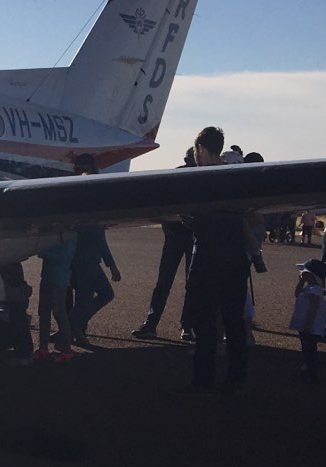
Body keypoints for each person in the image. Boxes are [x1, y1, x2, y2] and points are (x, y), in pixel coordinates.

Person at [182, 126, 250, 394]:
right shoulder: (236, 178)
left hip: (207, 258)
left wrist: (192, 221)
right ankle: (236, 379)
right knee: (234, 322)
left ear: (200, 149)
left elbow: (198, 217)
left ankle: (203, 379)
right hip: (235, 258)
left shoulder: (200, 179)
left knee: (204, 321)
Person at [132, 147, 195, 341]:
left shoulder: (182, 175)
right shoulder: (182, 175)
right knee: (173, 282)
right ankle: (178, 325)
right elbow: (163, 204)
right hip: (179, 234)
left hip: (185, 235)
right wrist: (166, 225)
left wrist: (166, 225)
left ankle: (164, 324)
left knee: (173, 282)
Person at [67, 155, 120, 349]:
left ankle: (72, 327)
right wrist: (112, 265)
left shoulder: (75, 194)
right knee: (91, 297)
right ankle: (71, 327)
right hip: (87, 259)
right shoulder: (91, 199)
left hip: (78, 256)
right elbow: (99, 238)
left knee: (97, 295)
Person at [34, 234, 77, 362]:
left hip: (59, 281)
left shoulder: (70, 237)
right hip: (47, 277)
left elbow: (63, 258)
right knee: (44, 313)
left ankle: (66, 350)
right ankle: (43, 348)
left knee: (59, 313)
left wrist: (44, 253)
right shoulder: (56, 235)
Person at [290, 259, 326, 381]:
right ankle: (308, 367)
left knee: (309, 348)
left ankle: (311, 370)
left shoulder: (314, 290)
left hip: (310, 324)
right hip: (305, 323)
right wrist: (301, 281)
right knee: (306, 346)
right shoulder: (309, 288)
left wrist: (309, 323)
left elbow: (313, 309)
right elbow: (297, 293)